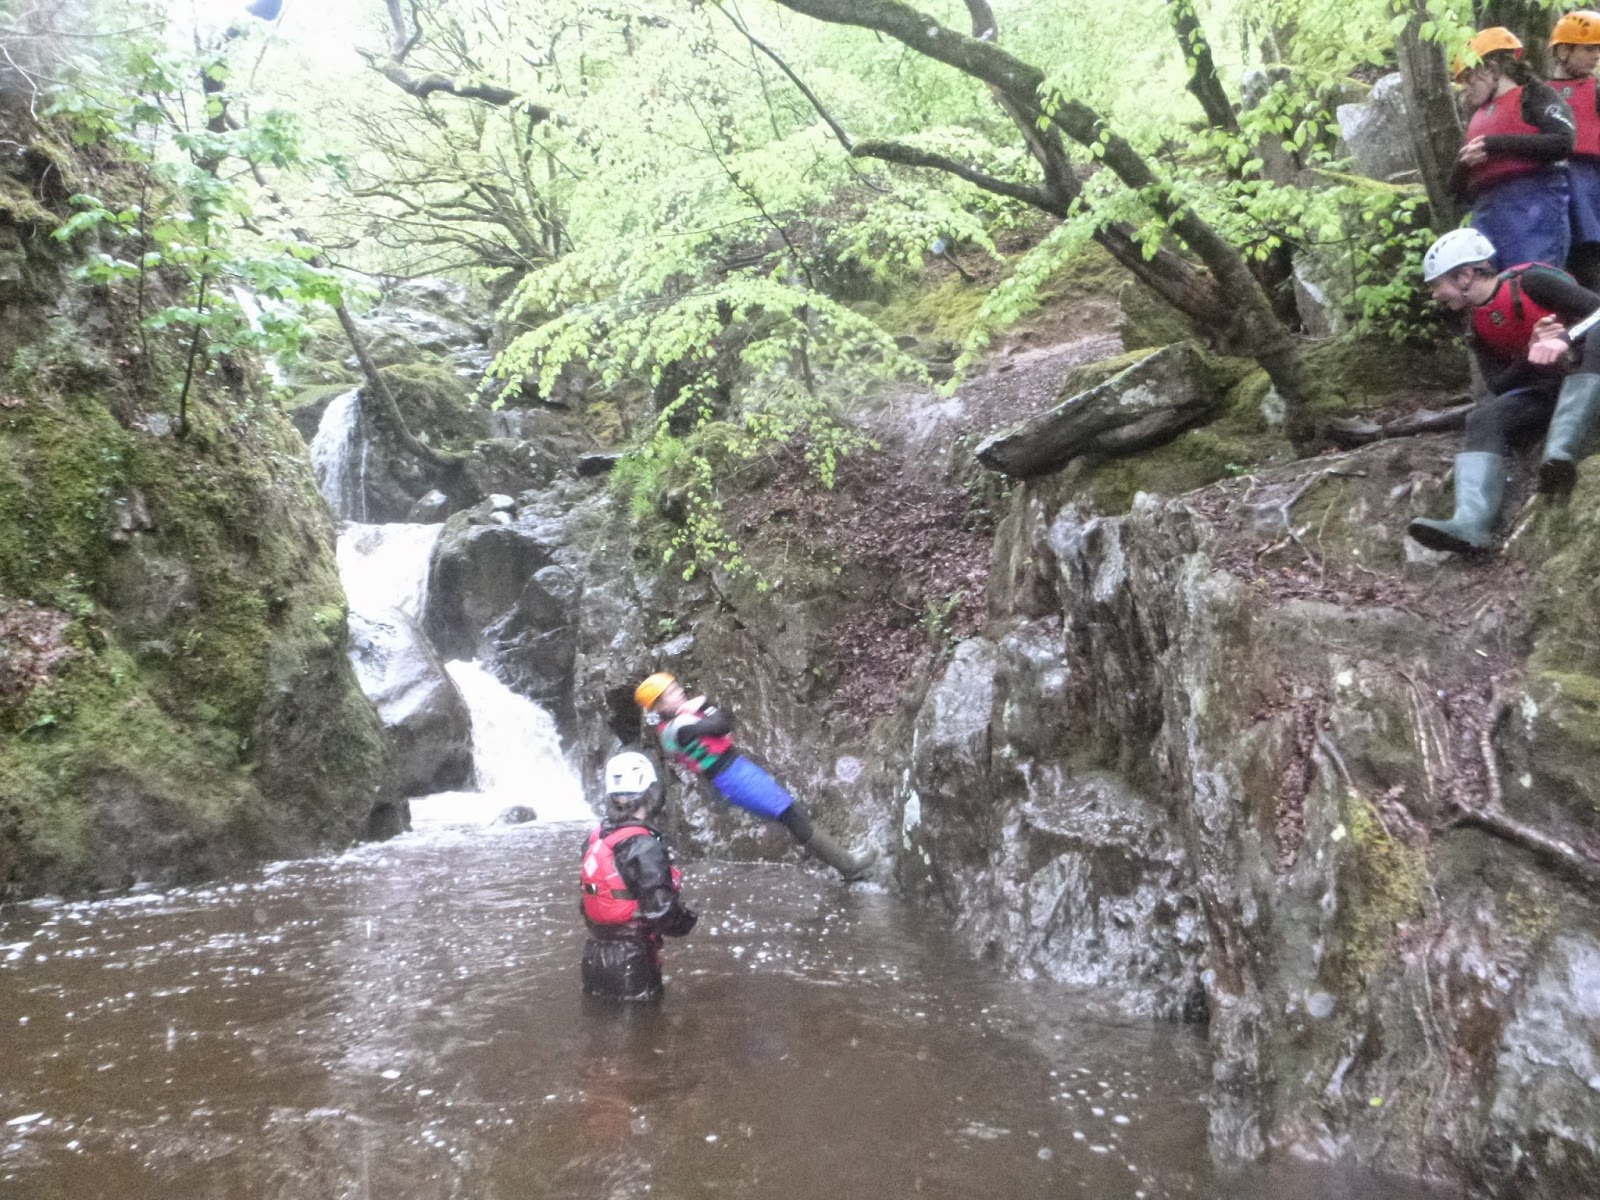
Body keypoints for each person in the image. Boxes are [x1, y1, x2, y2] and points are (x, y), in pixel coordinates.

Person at [1409, 227, 1600, 553]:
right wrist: (1530, 352)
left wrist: (1563, 339)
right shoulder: (1475, 323)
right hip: (1555, 389)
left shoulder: (1532, 283)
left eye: (1438, 284)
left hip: (1591, 369)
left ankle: (1561, 453)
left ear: (1465, 275)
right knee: (1484, 418)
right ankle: (1472, 524)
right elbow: (1499, 385)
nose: (1436, 294)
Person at [634, 672, 877, 881]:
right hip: (731, 777)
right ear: (659, 707)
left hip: (733, 771)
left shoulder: (676, 721)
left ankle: (843, 865)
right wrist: (705, 704)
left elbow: (725, 719)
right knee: (791, 815)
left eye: (676, 688)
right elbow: (723, 724)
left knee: (793, 814)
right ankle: (849, 865)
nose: (679, 693)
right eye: (671, 693)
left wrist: (705, 705)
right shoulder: (679, 727)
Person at [1450, 27, 1576, 271]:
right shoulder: (1479, 116)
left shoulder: (1536, 95)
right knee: (1489, 287)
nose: (1466, 87)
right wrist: (1464, 163)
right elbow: (1453, 189)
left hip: (1534, 201)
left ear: (1494, 68)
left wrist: (1495, 145)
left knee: (1531, 280)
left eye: (1470, 77)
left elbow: (1563, 141)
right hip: (1486, 210)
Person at [579, 751, 697, 1002]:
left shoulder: (595, 837)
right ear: (650, 793)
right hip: (632, 961)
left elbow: (589, 899)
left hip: (593, 958)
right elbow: (662, 912)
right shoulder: (644, 846)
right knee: (647, 1035)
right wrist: (688, 919)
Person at [1550, 11, 1600, 287]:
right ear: (1563, 50)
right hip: (1552, 189)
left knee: (1591, 263)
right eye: (1589, 49)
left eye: (1598, 50)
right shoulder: (1536, 94)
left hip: (1591, 185)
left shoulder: (1597, 89)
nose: (1596, 56)